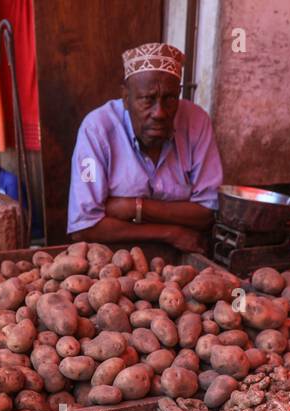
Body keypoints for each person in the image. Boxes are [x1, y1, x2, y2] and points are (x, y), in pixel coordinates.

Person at [66, 43, 223, 253]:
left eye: (169, 99)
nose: (159, 113)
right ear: (126, 98)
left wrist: (134, 207)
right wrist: (171, 233)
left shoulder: (197, 122)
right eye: (147, 99)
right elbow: (84, 227)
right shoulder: (97, 129)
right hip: (111, 259)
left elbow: (207, 212)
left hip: (184, 255)